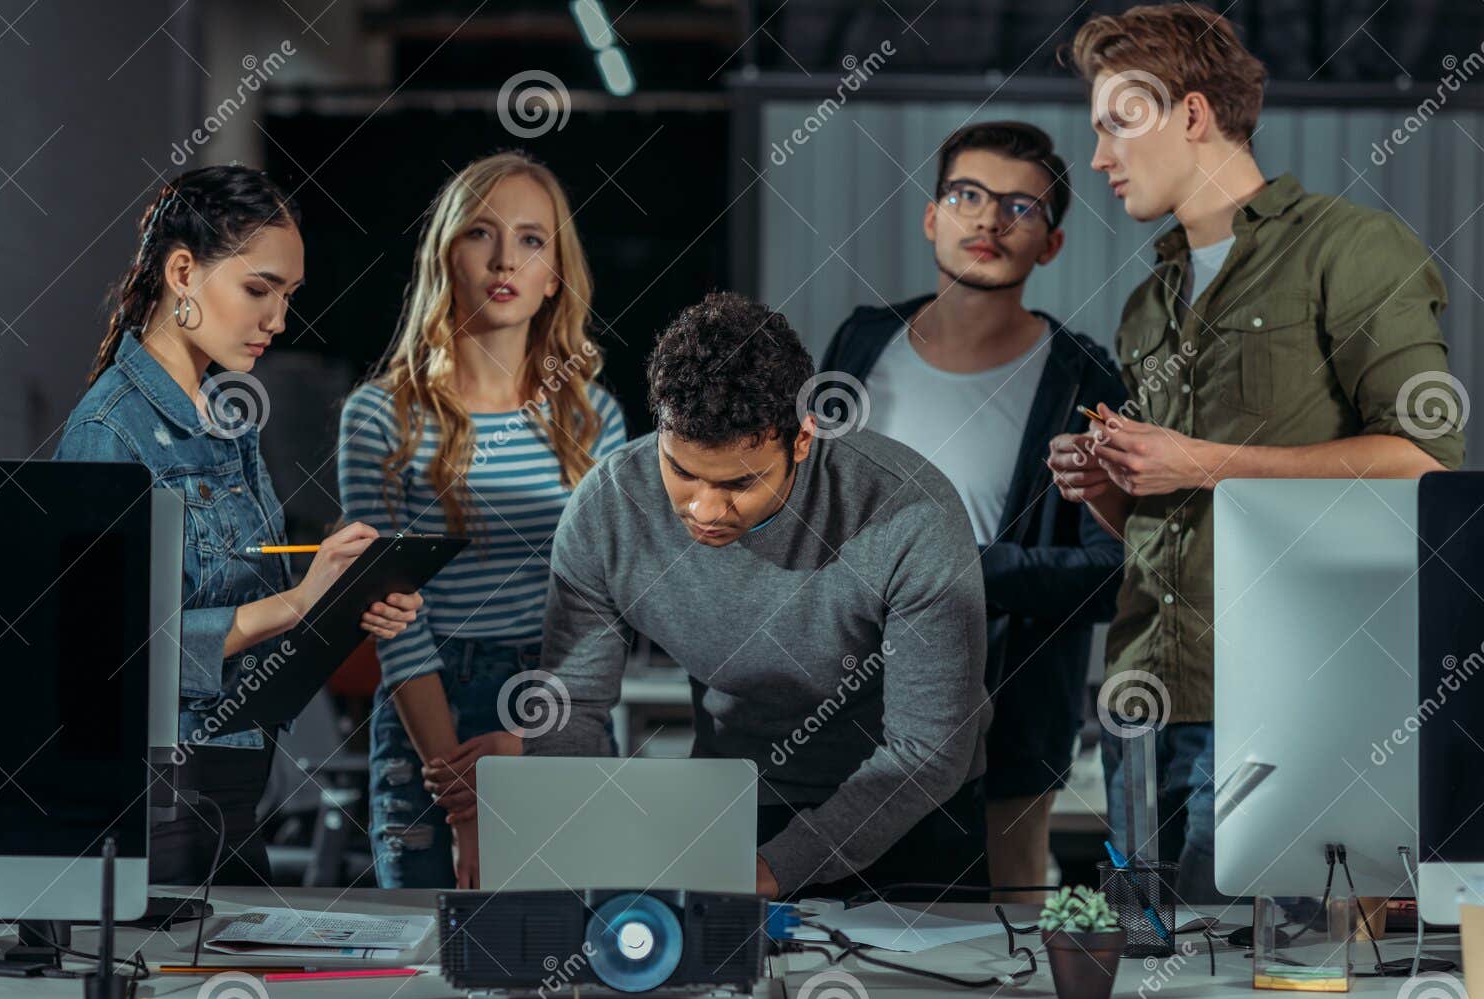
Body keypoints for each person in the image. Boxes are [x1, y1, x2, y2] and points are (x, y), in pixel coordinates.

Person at [1048, 3, 1466, 902]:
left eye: (1118, 126)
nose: (1099, 159)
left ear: (1192, 116)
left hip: (1279, 707)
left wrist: (1198, 460)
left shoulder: (1348, 249)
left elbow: (1423, 462)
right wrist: (1108, 484)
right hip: (1141, 700)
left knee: (1235, 998)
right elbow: (1167, 523)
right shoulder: (1147, 303)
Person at [434, 290, 992, 900]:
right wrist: (570, 857)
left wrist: (776, 869)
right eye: (682, 471)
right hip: (732, 803)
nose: (704, 510)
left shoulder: (913, 515)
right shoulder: (609, 508)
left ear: (803, 438)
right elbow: (575, 713)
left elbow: (927, 750)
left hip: (909, 818)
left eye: (739, 484)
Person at [56, 165, 422, 886]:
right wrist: (294, 602)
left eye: (288, 296)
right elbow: (105, 658)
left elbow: (252, 624)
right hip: (155, 797)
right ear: (183, 272)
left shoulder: (227, 420)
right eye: (259, 290)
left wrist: (343, 604)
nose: (279, 320)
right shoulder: (107, 433)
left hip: (234, 784)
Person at [820, 121, 1124, 902]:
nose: (989, 220)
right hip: (846, 697)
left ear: (1050, 244)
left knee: (1004, 915)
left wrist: (950, 568)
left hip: (1010, 708)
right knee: (834, 908)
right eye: (968, 196)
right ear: (932, 217)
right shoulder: (861, 342)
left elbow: (1107, 575)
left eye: (1020, 207)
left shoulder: (1082, 379)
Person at [339, 151, 627, 890]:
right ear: (447, 255)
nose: (505, 258)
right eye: (481, 233)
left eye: (532, 239)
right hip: (430, 705)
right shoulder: (379, 417)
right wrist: (460, 803)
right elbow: (392, 618)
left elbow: (606, 610)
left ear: (554, 273)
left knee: (583, 946)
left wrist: (533, 745)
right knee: (435, 961)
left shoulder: (597, 419)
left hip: (559, 700)